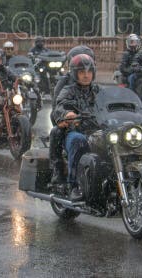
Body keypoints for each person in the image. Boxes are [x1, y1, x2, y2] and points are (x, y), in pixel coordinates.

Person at [51, 53, 98, 200]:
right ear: (74, 73)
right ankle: (74, 185)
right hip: (75, 131)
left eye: (89, 72)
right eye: (82, 72)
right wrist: (67, 114)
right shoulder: (68, 90)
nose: (86, 75)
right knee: (78, 140)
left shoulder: (98, 91)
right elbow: (59, 106)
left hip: (97, 131)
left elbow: (114, 104)